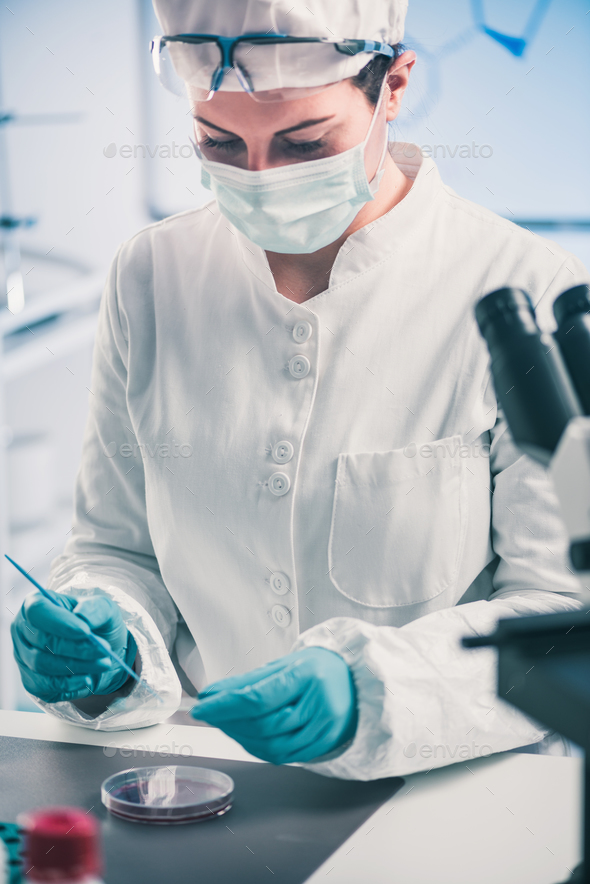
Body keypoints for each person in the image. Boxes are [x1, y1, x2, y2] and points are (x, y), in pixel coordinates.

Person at [11, 0, 590, 780]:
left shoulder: (526, 290)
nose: (258, 178)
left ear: (393, 86)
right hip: (208, 778)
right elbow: (116, 547)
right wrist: (109, 630)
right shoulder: (151, 276)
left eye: (305, 142)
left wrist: (374, 695)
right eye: (219, 142)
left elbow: (558, 620)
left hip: (448, 802)